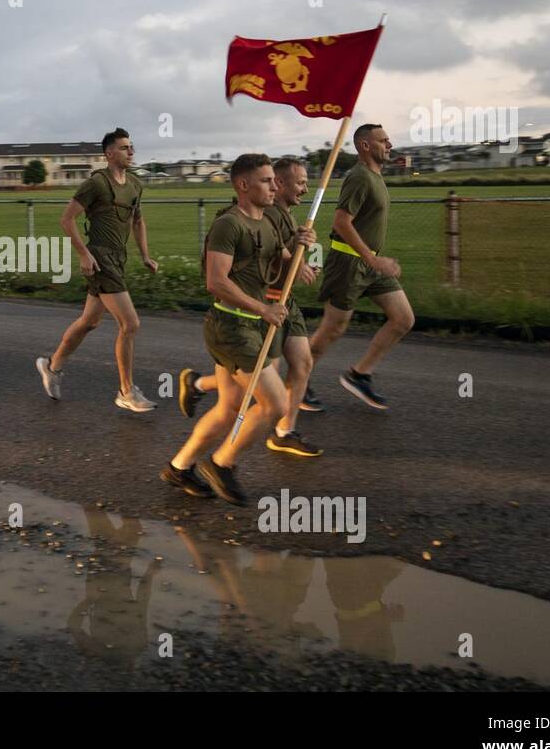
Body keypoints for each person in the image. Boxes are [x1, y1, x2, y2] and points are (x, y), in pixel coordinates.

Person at [160, 154, 315, 505]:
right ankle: (222, 463)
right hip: (231, 326)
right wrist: (262, 307)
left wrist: (300, 245)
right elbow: (216, 281)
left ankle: (179, 466)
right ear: (243, 185)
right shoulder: (229, 225)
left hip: (259, 325)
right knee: (275, 403)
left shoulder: (270, 223)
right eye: (266, 181)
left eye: (275, 180)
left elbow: (281, 266)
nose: (275, 186)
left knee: (229, 409)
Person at [35, 127, 159, 411]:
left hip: (118, 258)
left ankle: (51, 367)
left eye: (132, 147)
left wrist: (145, 256)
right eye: (125, 147)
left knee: (89, 321)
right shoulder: (97, 183)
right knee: (130, 324)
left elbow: (138, 222)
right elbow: (66, 220)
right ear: (109, 153)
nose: (131, 152)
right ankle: (126, 391)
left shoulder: (135, 185)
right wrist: (84, 254)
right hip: (100, 259)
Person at [308, 123, 414, 410]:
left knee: (403, 319)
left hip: (370, 262)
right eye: (383, 140)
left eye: (389, 139)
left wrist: (374, 261)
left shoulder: (375, 176)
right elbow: (341, 222)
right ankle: (298, 379)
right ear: (365, 145)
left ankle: (359, 374)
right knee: (333, 328)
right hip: (349, 262)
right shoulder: (359, 177)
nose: (390, 144)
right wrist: (372, 259)